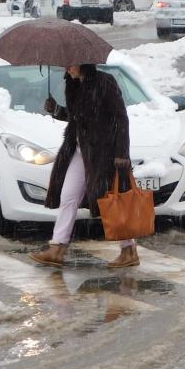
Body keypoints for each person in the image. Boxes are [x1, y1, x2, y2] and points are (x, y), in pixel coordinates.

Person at [30, 64, 139, 269]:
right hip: (80, 151)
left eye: (71, 64)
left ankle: (129, 249)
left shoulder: (104, 82)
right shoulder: (73, 84)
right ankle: (57, 248)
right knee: (68, 197)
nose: (67, 69)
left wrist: (121, 153)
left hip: (103, 152)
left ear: (83, 62)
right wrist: (57, 110)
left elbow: (121, 117)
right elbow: (77, 119)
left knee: (111, 200)